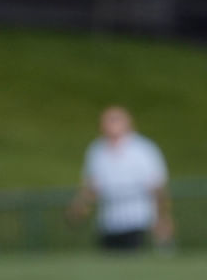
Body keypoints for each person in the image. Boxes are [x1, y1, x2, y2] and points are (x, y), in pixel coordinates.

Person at [67, 106, 172, 252]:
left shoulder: (144, 150)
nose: (109, 125)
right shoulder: (96, 150)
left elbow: (157, 187)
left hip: (138, 220)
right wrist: (79, 207)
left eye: (114, 120)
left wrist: (163, 218)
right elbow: (91, 186)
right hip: (108, 223)